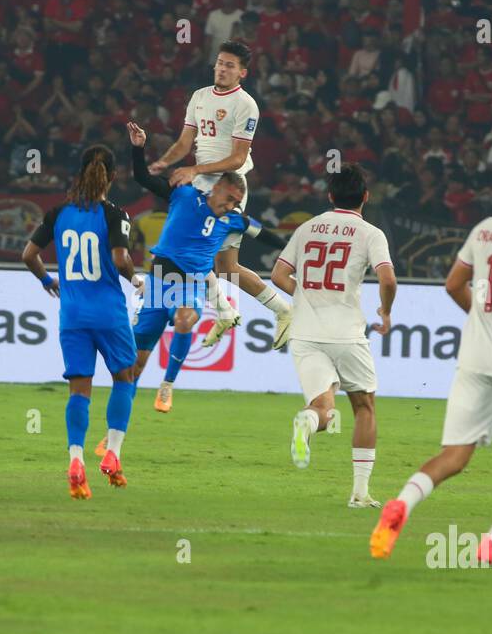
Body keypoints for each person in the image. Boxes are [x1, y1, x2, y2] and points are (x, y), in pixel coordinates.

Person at [124, 120, 287, 413]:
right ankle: (113, 437)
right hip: (159, 277)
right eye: (230, 198)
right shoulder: (184, 195)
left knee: (186, 319)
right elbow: (142, 178)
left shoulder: (236, 219)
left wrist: (291, 252)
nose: (233, 205)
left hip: (190, 283)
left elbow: (265, 236)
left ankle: (167, 386)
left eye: (238, 201)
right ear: (218, 188)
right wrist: (138, 149)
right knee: (134, 366)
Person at [148, 40, 293, 348]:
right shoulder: (199, 97)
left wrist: (196, 170)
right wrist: (165, 161)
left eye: (230, 65)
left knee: (204, 259)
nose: (223, 69)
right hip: (202, 185)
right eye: (220, 63)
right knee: (225, 268)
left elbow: (238, 159)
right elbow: (185, 143)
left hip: (228, 187)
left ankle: (271, 310)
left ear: (242, 73)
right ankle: (241, 311)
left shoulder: (246, 105)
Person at [273, 164, 397, 508]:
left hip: (306, 334)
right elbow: (387, 280)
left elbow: (279, 274)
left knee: (322, 406)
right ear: (366, 197)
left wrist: (305, 295)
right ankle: (359, 493)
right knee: (364, 408)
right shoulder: (370, 233)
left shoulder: (307, 227)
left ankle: (308, 423)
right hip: (346, 333)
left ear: (330, 196)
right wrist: (385, 313)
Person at [22, 143, 141, 498]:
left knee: (79, 390)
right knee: (125, 377)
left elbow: (28, 254)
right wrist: (134, 278)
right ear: (113, 177)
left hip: (72, 315)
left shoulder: (58, 213)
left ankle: (76, 459)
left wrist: (48, 281)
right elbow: (120, 258)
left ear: (79, 172)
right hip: (108, 313)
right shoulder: (114, 214)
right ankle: (113, 455)